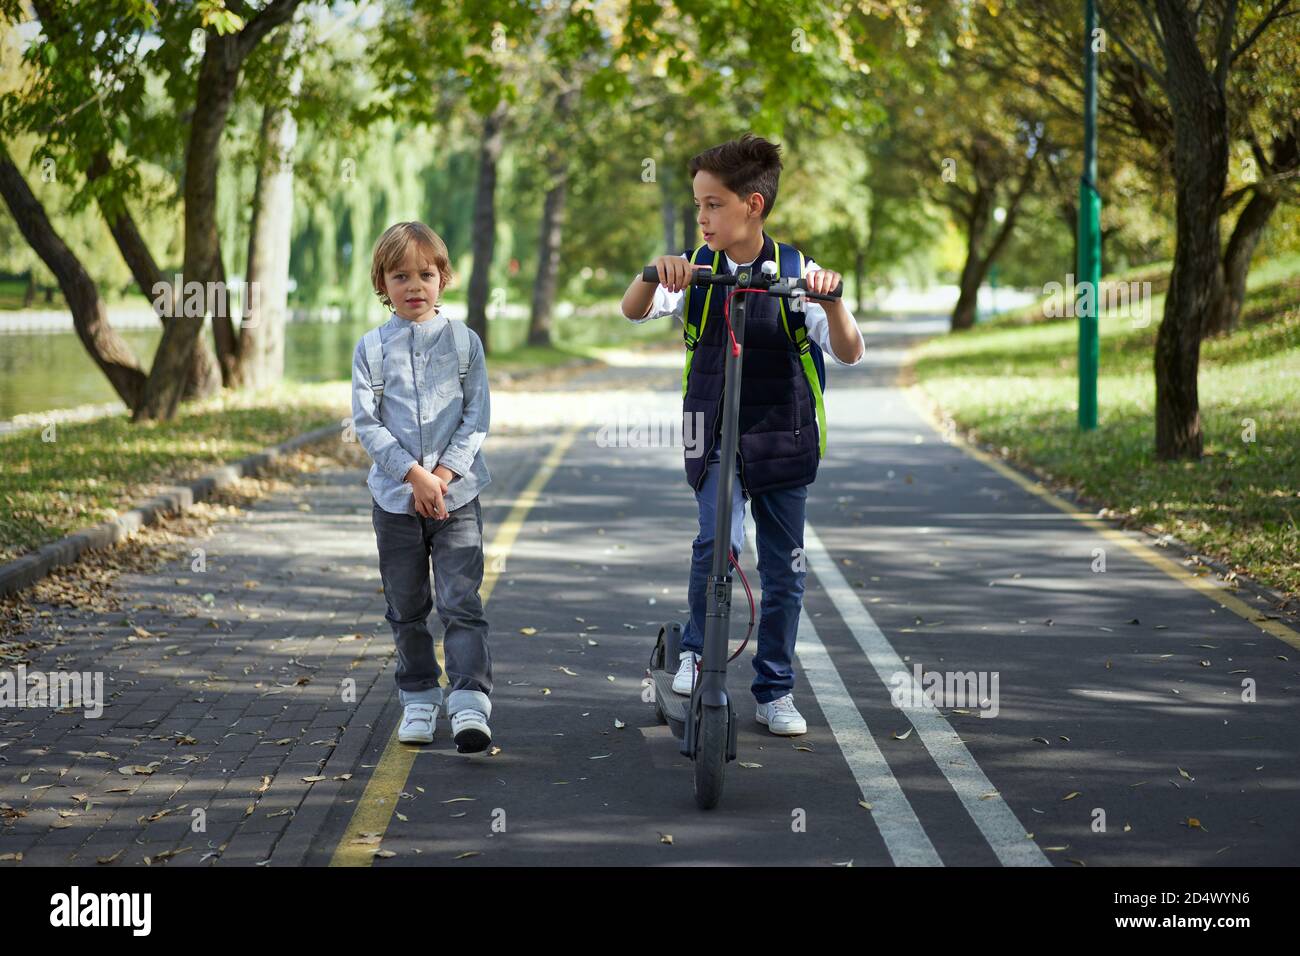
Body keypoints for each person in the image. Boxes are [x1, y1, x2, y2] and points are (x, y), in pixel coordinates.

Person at [618, 134, 865, 736]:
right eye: (697, 205)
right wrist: (654, 273)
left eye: (712, 205)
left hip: (782, 435)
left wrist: (831, 302)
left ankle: (774, 688)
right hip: (714, 434)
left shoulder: (795, 271)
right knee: (717, 544)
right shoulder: (694, 269)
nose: (701, 217)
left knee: (786, 569)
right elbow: (632, 308)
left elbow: (850, 352)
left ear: (752, 205)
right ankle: (698, 652)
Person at [351, 221, 494, 752]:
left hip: (457, 498)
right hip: (395, 500)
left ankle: (469, 702)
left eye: (426, 274)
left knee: (461, 601)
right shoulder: (371, 349)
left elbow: (476, 418)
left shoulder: (464, 343)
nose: (414, 285)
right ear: (382, 284)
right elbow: (367, 424)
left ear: (443, 278)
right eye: (400, 275)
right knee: (406, 604)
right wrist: (413, 477)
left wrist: (441, 478)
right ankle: (418, 698)